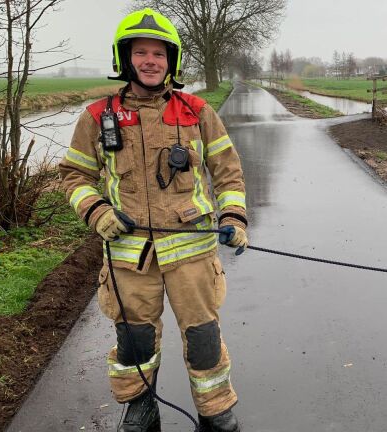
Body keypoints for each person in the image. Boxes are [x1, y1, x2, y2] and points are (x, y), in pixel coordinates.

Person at [59, 8, 246, 432]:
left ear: (172, 61)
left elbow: (228, 172)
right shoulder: (96, 117)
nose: (149, 61)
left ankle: (215, 407)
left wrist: (234, 216)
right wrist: (96, 211)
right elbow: (73, 175)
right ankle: (140, 405)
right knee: (135, 341)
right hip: (129, 259)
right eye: (140, 52)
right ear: (124, 59)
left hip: (194, 256)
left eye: (158, 54)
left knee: (203, 338)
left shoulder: (198, 112)